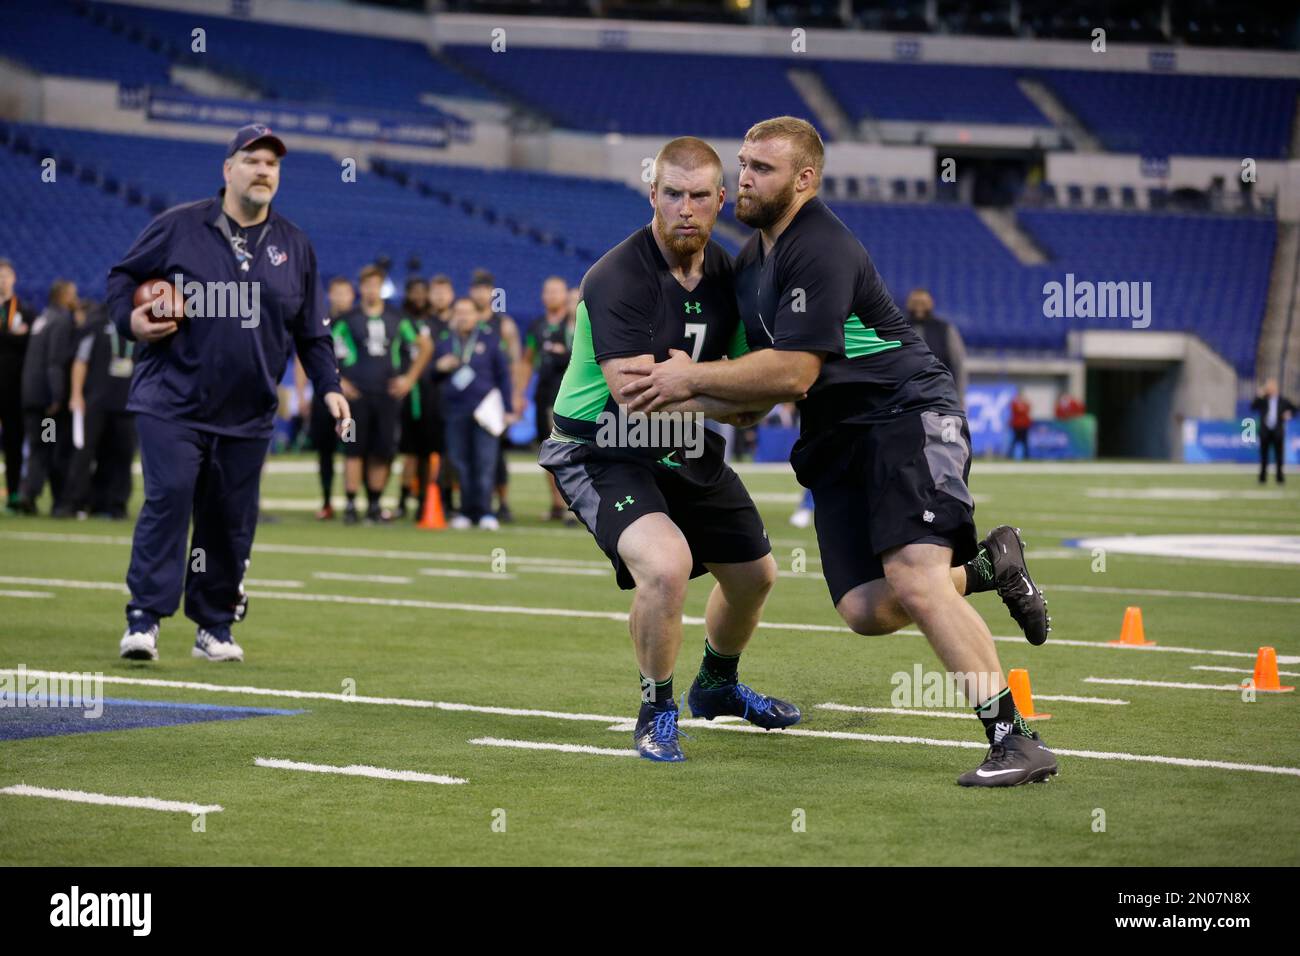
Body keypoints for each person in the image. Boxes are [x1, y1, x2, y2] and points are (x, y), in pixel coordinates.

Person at [623, 117, 1055, 785]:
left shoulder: (820, 246)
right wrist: (668, 396)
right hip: (837, 438)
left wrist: (691, 378)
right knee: (864, 609)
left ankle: (1014, 740)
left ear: (804, 180)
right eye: (742, 163)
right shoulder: (750, 264)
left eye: (762, 168)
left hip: (906, 413)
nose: (743, 177)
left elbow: (792, 373)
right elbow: (755, 397)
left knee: (913, 576)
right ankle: (990, 566)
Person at [539, 136, 799, 762]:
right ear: (652, 195)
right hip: (602, 444)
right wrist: (723, 393)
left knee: (755, 576)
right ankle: (657, 709)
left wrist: (705, 385)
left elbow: (757, 390)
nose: (686, 208)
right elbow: (635, 399)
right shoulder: (616, 275)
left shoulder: (731, 273)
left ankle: (716, 686)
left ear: (721, 201)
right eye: (672, 194)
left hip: (682, 439)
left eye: (699, 196)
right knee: (665, 564)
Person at [108, 124, 349, 663]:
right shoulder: (178, 227)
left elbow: (312, 332)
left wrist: (330, 388)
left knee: (230, 519)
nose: (264, 170)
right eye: (253, 160)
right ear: (228, 169)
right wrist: (133, 321)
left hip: (248, 412)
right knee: (168, 500)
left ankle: (214, 624)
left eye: (273, 164)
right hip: (172, 400)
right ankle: (144, 617)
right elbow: (122, 279)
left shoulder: (295, 245)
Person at [333, 264, 432, 525]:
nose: (371, 290)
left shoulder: (397, 318)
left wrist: (409, 379)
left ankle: (375, 503)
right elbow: (323, 349)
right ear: (360, 288)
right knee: (353, 450)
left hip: (387, 396)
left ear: (382, 288)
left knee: (383, 450)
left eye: (376, 285)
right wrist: (340, 380)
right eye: (366, 285)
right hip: (356, 396)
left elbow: (424, 346)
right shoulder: (346, 319)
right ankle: (351, 504)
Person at [433, 297, 513, 529]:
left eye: (467, 312)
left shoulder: (490, 340)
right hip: (455, 409)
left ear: (477, 316)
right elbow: (431, 376)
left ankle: (486, 511)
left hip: (485, 410)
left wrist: (507, 409)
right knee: (460, 462)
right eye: (458, 312)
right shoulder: (445, 342)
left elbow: (503, 376)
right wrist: (439, 366)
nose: (463, 317)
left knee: (485, 461)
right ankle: (467, 511)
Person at [62, 300, 137, 519]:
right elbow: (80, 361)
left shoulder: (140, 325)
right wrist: (76, 395)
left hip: (128, 403)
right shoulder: (95, 324)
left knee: (122, 455)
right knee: (84, 453)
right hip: (95, 401)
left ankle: (115, 504)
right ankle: (73, 502)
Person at [16, 279, 79, 514]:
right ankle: (33, 495)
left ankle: (29, 494)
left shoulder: (44, 318)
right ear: (62, 296)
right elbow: (54, 362)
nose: (76, 299)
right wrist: (56, 397)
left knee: (38, 446)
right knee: (48, 446)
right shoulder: (61, 321)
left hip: (31, 396)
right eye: (72, 294)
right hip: (46, 404)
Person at [295, 275, 354, 519]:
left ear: (352, 295)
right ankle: (327, 500)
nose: (340, 297)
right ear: (329, 295)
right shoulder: (319, 321)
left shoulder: (358, 322)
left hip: (352, 399)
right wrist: (301, 394)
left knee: (353, 448)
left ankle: (353, 502)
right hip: (324, 396)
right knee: (325, 450)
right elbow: (302, 356)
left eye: (345, 292)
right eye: (336, 292)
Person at [518, 275, 575, 522]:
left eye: (557, 291)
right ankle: (556, 504)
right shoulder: (537, 326)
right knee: (549, 452)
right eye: (548, 291)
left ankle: (574, 505)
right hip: (544, 395)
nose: (552, 296)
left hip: (572, 398)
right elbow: (527, 360)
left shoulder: (574, 323)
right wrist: (519, 394)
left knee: (571, 452)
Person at [470, 268, 520, 523]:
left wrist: (516, 397)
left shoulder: (504, 325)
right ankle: (475, 502)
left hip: (496, 399)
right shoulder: (466, 320)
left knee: (496, 454)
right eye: (476, 289)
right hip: (471, 398)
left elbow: (515, 363)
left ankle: (502, 502)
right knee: (470, 453)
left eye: (485, 289)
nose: (480, 293)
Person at [396, 276, 440, 520]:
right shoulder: (401, 321)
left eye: (424, 292)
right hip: (408, 395)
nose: (420, 297)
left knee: (429, 451)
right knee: (409, 451)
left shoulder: (436, 323)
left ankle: (426, 497)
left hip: (433, 393)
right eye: (415, 292)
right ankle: (403, 498)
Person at [0, 259, 30, 512]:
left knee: (13, 442)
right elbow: (16, 340)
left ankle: (13, 495)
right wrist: (11, 335)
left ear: (14, 279)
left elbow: (27, 343)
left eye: (6, 275)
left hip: (14, 390)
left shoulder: (25, 309)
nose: (3, 280)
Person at [905, 288, 967, 401]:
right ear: (908, 305)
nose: (919, 307)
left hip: (940, 395)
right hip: (906, 396)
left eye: (923, 303)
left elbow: (958, 364)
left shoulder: (945, 329)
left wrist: (960, 398)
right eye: (915, 303)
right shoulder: (899, 328)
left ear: (930, 304)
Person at [1252, 378, 1294, 484]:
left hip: (1278, 431)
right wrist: (1259, 395)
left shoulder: (1283, 401)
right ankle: (1262, 478)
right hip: (1265, 431)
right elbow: (1253, 407)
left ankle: (1279, 478)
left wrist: (1289, 414)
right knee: (1264, 455)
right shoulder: (1263, 400)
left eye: (1272, 387)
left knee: (1279, 456)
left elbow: (1294, 409)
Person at [1009, 391, 1031, 459]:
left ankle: (1026, 456)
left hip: (1024, 426)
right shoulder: (1014, 403)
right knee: (1014, 441)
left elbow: (1027, 409)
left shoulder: (1025, 404)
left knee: (1025, 442)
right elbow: (1015, 410)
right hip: (1016, 426)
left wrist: (1022, 407)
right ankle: (1010, 455)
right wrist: (1020, 407)